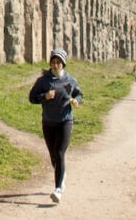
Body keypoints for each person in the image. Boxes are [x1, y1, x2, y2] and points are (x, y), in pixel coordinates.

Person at [29, 49, 83, 204]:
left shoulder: (69, 80)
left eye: (58, 62)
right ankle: (61, 174)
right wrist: (44, 97)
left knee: (59, 153)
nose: (55, 65)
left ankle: (58, 189)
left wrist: (76, 100)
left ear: (63, 64)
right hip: (48, 122)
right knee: (53, 154)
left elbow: (78, 94)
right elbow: (32, 98)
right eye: (53, 62)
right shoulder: (44, 81)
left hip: (65, 121)